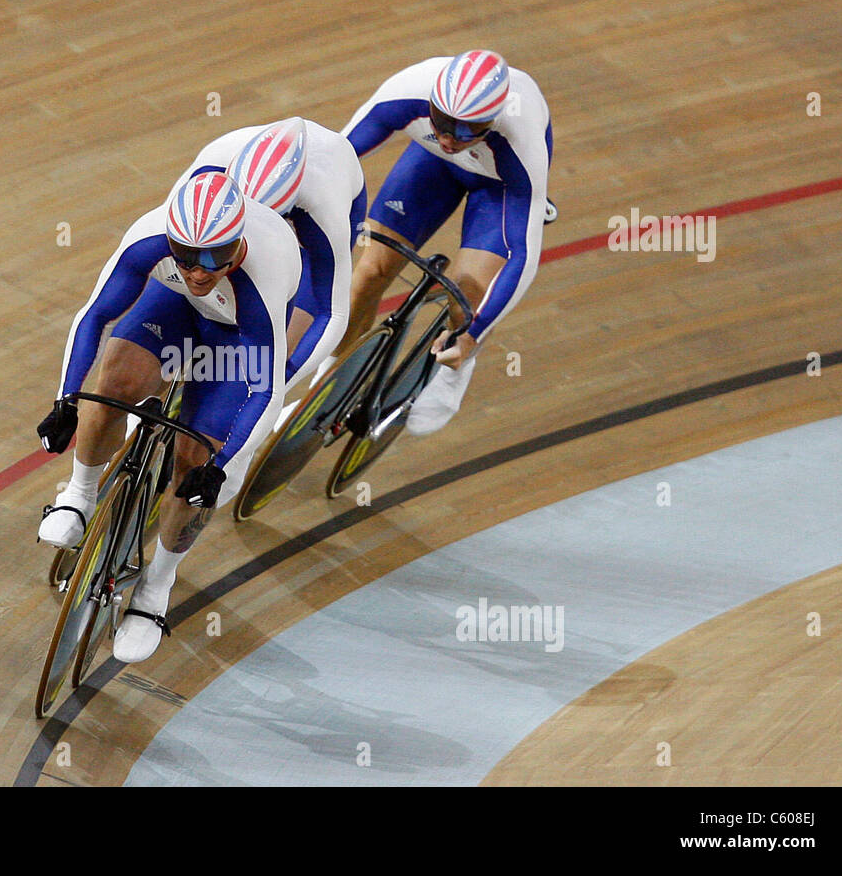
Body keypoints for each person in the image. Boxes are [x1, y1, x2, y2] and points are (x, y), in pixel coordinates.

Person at [36, 172, 300, 663]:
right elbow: (94, 315)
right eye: (187, 256)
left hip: (236, 336)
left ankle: (156, 587)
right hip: (173, 308)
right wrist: (65, 399)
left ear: (238, 245)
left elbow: (268, 387)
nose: (199, 271)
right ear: (171, 239)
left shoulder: (265, 272)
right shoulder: (149, 238)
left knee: (194, 460)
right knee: (112, 388)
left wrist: (217, 468)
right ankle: (79, 494)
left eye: (214, 258)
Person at [340, 50, 553, 433]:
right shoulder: (409, 89)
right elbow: (334, 158)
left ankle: (455, 371)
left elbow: (522, 254)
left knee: (465, 296)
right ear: (433, 103)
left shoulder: (521, 140)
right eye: (443, 122)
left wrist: (475, 333)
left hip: (499, 187)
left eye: (468, 130)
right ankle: (330, 386)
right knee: (369, 273)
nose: (451, 138)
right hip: (432, 164)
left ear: (493, 120)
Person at [168, 117, 367, 411]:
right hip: (233, 218)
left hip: (306, 239)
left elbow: (332, 313)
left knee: (280, 345)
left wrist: (278, 384)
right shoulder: (213, 163)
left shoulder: (323, 208)